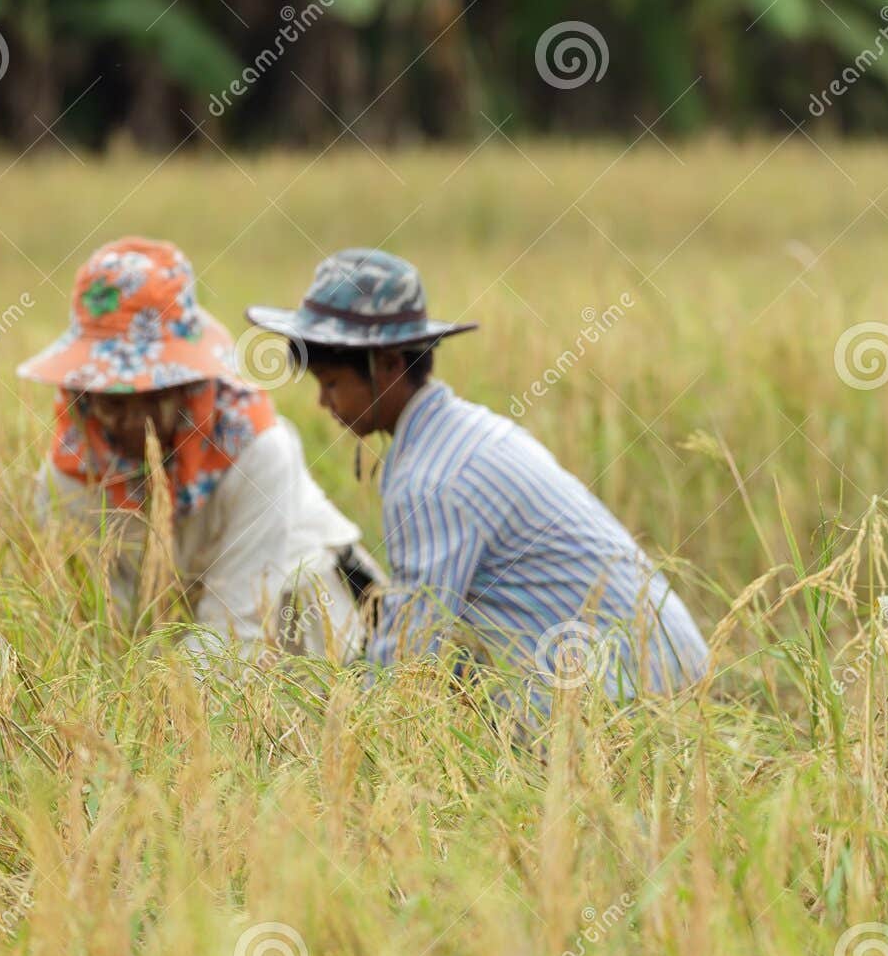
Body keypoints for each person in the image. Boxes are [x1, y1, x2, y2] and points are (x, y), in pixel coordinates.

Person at [244, 248, 709, 725]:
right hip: (659, 668)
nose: (323, 401)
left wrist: (338, 733)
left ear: (386, 364)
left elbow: (409, 651)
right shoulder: (466, 432)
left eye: (333, 382)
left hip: (633, 694)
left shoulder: (433, 477)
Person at [18, 237, 381, 661]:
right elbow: (97, 630)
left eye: (155, 394)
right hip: (179, 646)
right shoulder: (67, 478)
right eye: (115, 400)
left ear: (189, 386)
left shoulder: (257, 451)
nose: (136, 422)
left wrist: (166, 716)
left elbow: (234, 625)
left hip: (299, 625)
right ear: (83, 393)